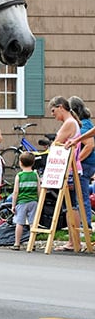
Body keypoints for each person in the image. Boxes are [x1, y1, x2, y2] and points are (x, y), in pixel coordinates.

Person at [49, 96, 83, 252]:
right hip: (71, 167)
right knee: (71, 205)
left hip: (69, 169)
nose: (52, 114)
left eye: (53, 110)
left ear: (61, 107)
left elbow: (57, 143)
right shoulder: (72, 123)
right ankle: (73, 239)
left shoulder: (69, 123)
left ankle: (73, 240)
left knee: (71, 206)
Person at [67, 96, 94, 228]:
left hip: (86, 164)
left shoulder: (82, 126)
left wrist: (76, 161)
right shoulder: (88, 122)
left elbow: (89, 145)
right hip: (90, 163)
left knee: (82, 196)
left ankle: (85, 223)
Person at [10, 152, 39, 250]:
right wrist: (38, 200)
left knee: (19, 222)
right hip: (33, 201)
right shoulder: (35, 175)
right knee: (32, 223)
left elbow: (16, 192)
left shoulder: (19, 175)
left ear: (20, 163)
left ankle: (17, 243)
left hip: (22, 202)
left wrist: (13, 205)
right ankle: (32, 243)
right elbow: (39, 189)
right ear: (33, 163)